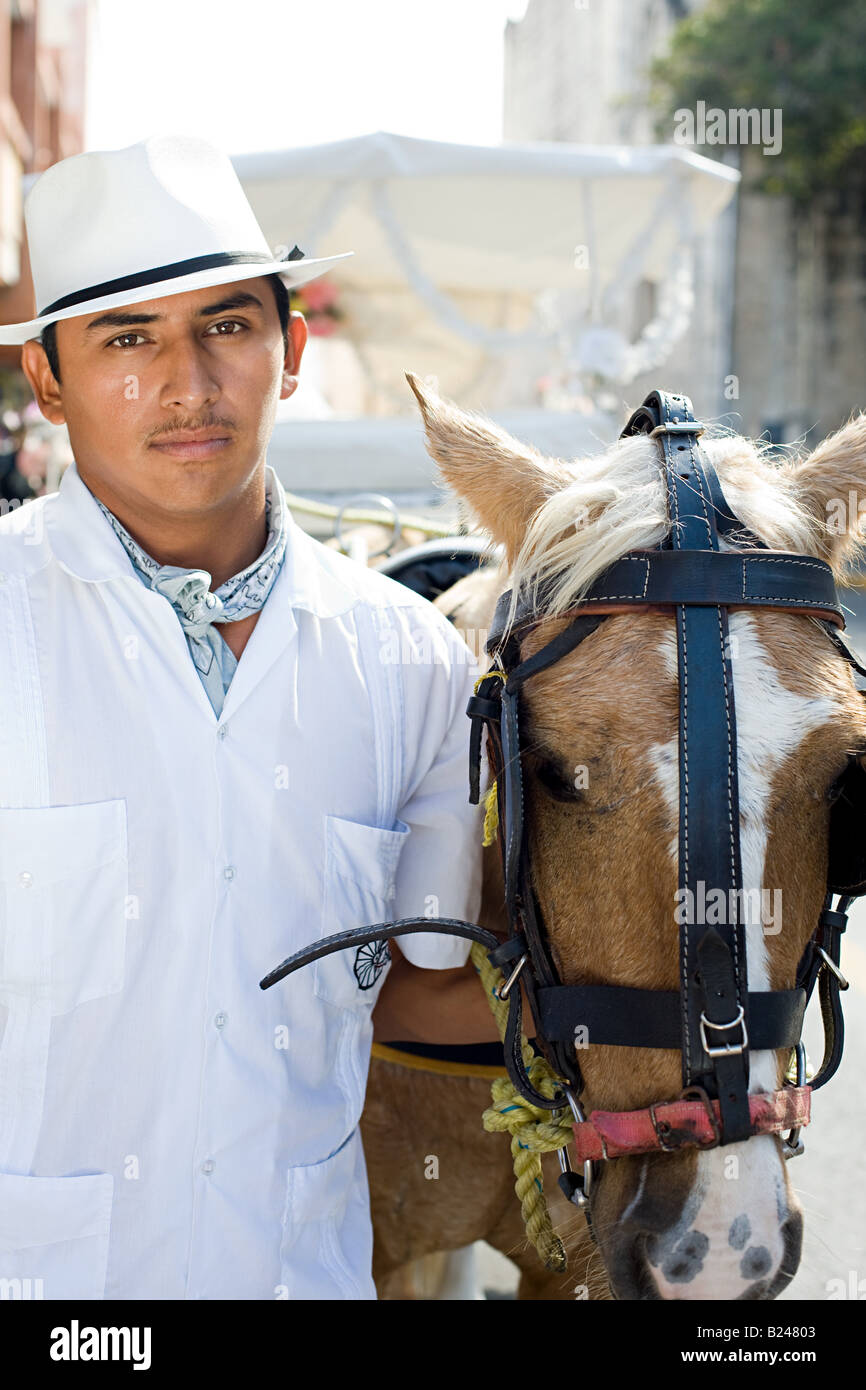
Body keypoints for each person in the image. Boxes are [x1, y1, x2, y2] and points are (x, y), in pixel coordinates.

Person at [0, 133, 498, 1301]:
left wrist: (670, 1003)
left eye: (226, 326)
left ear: (290, 352)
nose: (186, 383)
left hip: (295, 1275)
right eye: (127, 338)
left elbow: (418, 984)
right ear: (49, 381)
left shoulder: (409, 661)